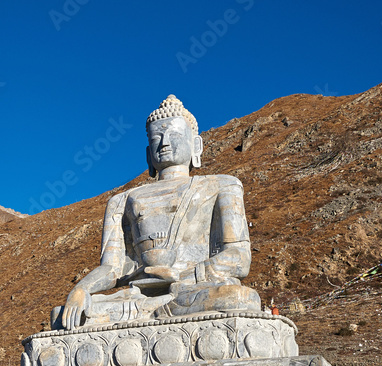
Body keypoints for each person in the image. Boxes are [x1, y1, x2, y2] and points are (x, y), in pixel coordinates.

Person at [54, 95, 261, 331]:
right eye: (156, 138)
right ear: (147, 153)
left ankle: (157, 314)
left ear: (196, 145)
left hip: (191, 290)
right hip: (138, 298)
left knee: (238, 298)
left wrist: (181, 275)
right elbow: (112, 268)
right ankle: (154, 315)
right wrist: (81, 289)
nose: (163, 144)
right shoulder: (121, 200)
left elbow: (239, 258)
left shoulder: (222, 185)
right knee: (65, 315)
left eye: (173, 136)